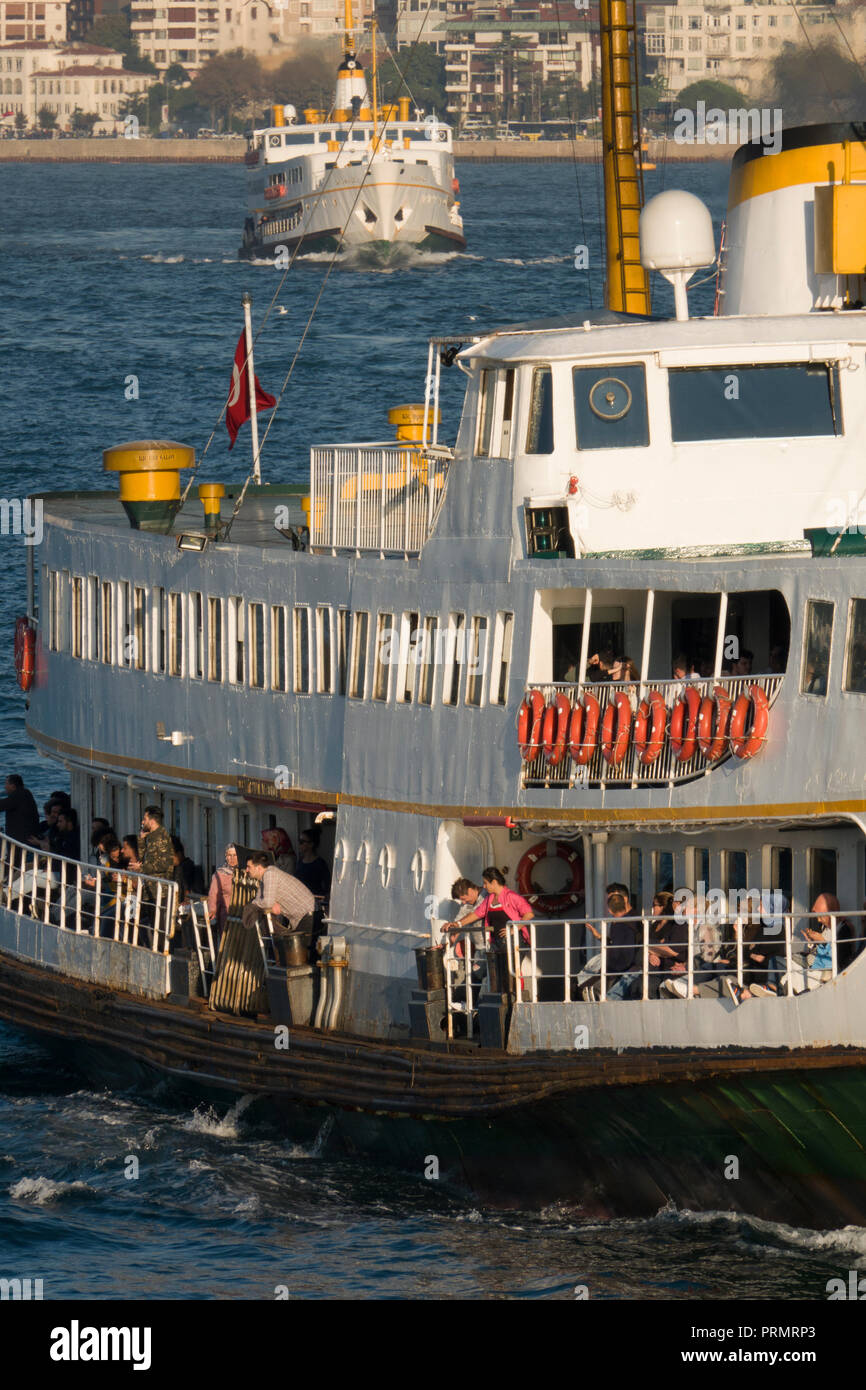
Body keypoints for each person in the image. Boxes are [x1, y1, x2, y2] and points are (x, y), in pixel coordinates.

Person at [242, 851, 316, 948]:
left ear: (258, 867)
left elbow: (266, 902)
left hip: (308, 915)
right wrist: (268, 904)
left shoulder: (270, 874)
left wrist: (266, 904)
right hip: (304, 916)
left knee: (303, 957)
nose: (246, 870)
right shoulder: (264, 878)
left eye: (249, 867)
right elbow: (261, 901)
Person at [579, 890, 641, 1000]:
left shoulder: (619, 925)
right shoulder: (630, 922)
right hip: (626, 965)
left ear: (609, 910)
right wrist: (599, 936)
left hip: (620, 968)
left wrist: (610, 966)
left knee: (586, 987)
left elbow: (619, 951)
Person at [138, 806, 174, 902]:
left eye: (145, 819)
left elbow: (164, 864)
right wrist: (141, 840)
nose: (142, 822)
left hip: (160, 891)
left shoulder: (161, 837)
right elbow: (141, 858)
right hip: (150, 889)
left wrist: (141, 868)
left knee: (158, 916)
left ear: (152, 821)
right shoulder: (150, 836)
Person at [207, 844, 238, 936]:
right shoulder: (220, 873)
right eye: (229, 855)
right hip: (227, 913)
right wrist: (212, 910)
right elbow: (214, 894)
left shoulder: (246, 872)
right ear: (226, 857)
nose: (232, 858)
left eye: (235, 855)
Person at [0, 774, 40, 845]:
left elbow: (3, 805)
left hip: (21, 840)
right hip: (25, 838)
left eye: (6, 784)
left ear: (13, 786)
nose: (5, 787)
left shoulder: (19, 795)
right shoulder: (25, 794)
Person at [293, 828, 331, 898]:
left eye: (301, 842)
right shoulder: (300, 862)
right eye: (299, 841)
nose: (299, 844)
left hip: (315, 901)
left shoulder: (320, 863)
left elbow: (328, 886)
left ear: (311, 844)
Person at [171, 836, 204, 902]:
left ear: (179, 854)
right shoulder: (188, 865)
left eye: (171, 856)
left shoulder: (184, 868)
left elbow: (187, 889)